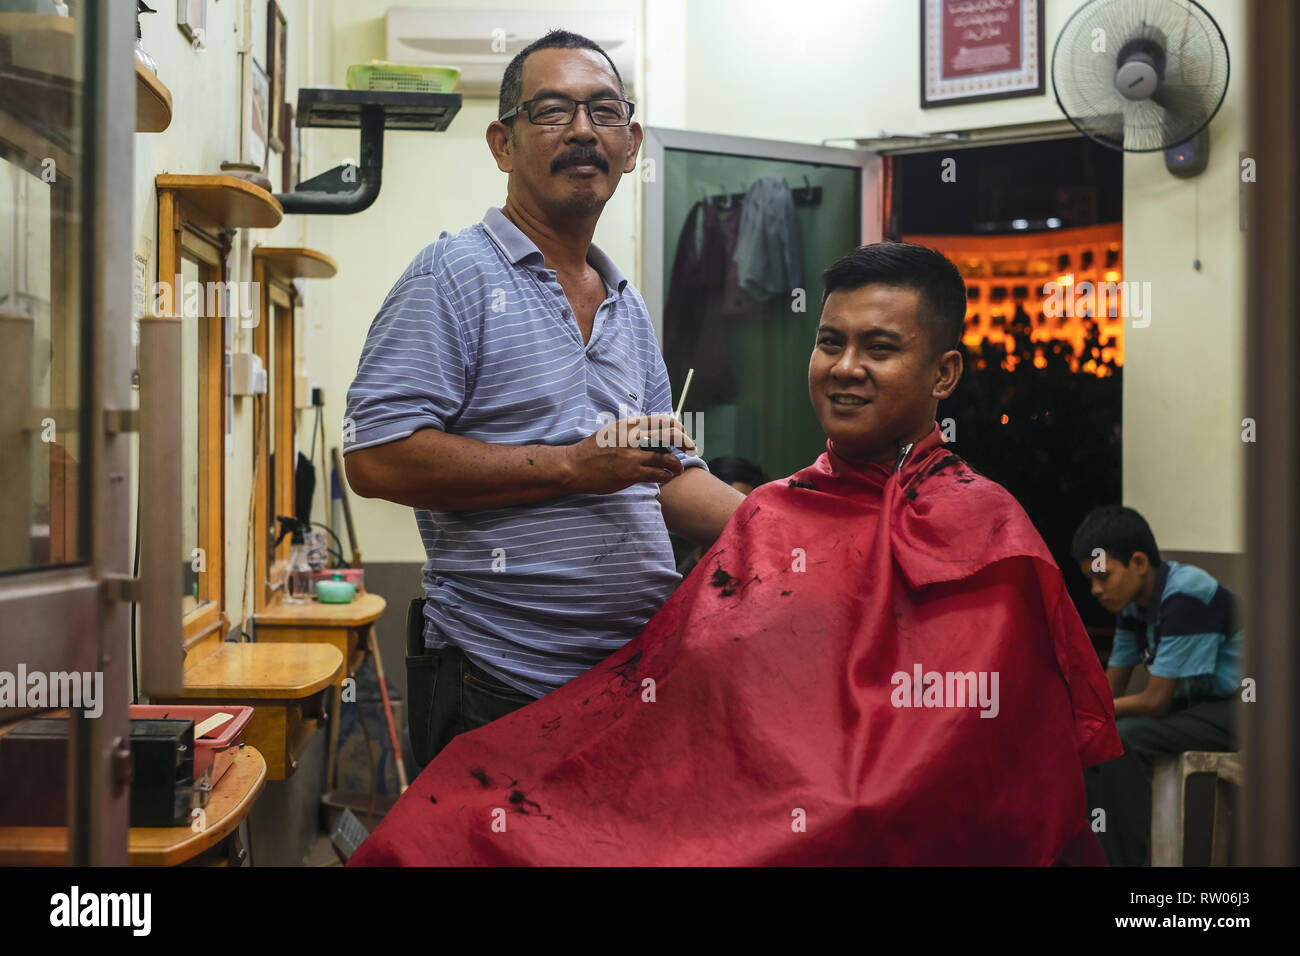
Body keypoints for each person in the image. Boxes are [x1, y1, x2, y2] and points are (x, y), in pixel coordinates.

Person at [348, 241, 1121, 866]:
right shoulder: (779, 514)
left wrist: (824, 814)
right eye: (831, 343)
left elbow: (981, 763)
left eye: (879, 348)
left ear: (943, 373)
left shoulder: (985, 530)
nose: (846, 367)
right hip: (547, 702)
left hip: (861, 832)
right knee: (455, 824)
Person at [342, 30, 746, 771]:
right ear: (502, 143)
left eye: (604, 111)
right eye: (553, 111)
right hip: (500, 687)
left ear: (632, 144)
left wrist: (784, 527)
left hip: (633, 680)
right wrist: (569, 467)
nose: (584, 130)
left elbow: (669, 474)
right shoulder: (452, 275)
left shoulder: (628, 304)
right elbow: (375, 460)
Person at [1072, 505, 1243, 866]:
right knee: (1087, 738)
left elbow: (1156, 701)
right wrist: (1080, 718)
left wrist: (1091, 711)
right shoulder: (1133, 607)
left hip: (1244, 711)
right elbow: (1109, 690)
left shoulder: (1186, 594)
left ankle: (1122, 862)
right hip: (1199, 708)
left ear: (1137, 562)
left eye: (1103, 576)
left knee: (1127, 738)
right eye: (1090, 580)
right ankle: (1088, 857)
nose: (1096, 590)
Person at [675, 455, 767, 579]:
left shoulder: (759, 569)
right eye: (716, 504)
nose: (728, 516)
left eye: (742, 509)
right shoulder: (673, 558)